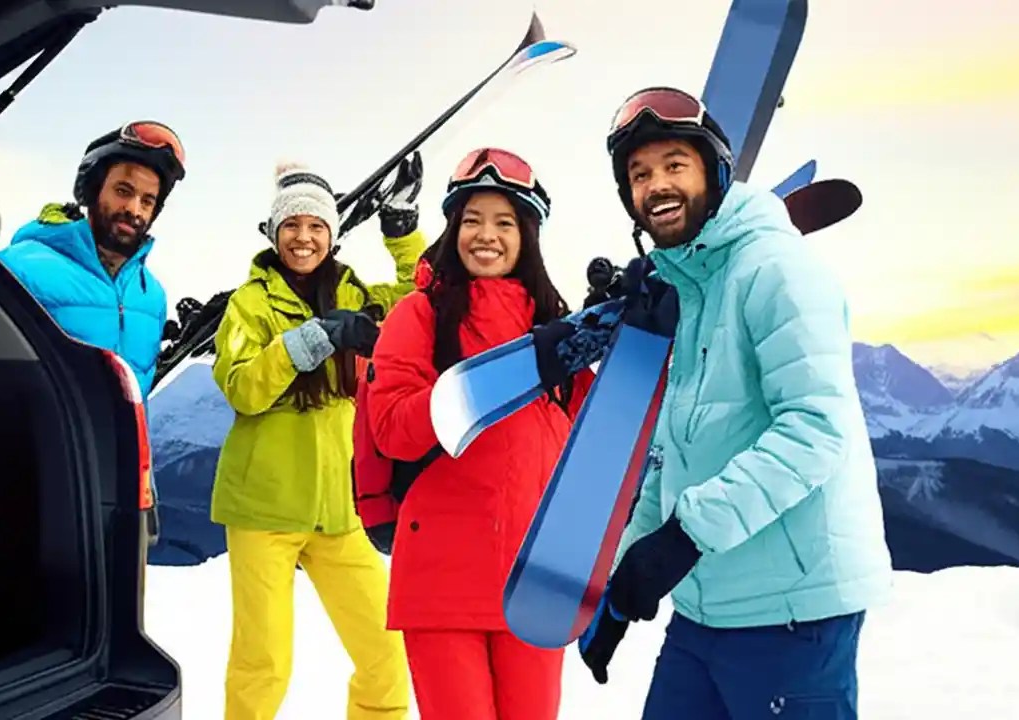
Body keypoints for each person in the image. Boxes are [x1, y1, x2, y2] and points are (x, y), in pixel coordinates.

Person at [578, 86, 893, 719]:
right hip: (704, 610)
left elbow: (814, 430)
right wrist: (621, 583)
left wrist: (684, 538)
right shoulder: (691, 292)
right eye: (639, 175)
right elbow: (671, 458)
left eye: (674, 166)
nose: (656, 186)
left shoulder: (775, 269)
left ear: (715, 172)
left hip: (793, 615)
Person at [365, 147, 593, 720]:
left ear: (528, 236)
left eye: (504, 222)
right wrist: (476, 388)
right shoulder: (419, 315)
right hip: (444, 580)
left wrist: (631, 328)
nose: (485, 236)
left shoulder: (555, 329)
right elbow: (391, 428)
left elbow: (604, 437)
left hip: (536, 579)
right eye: (471, 221)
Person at [209, 157, 424, 720]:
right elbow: (243, 389)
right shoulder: (248, 304)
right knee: (265, 663)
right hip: (264, 506)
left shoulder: (354, 294)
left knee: (386, 648)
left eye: (316, 227)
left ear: (332, 234)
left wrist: (401, 229)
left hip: (339, 507)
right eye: (292, 226)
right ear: (274, 232)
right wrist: (312, 338)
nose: (303, 238)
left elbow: (422, 294)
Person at [0, 121, 186, 400]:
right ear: (92, 191)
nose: (134, 209)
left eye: (147, 201)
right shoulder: (22, 266)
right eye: (123, 191)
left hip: (116, 445)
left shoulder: (152, 297)